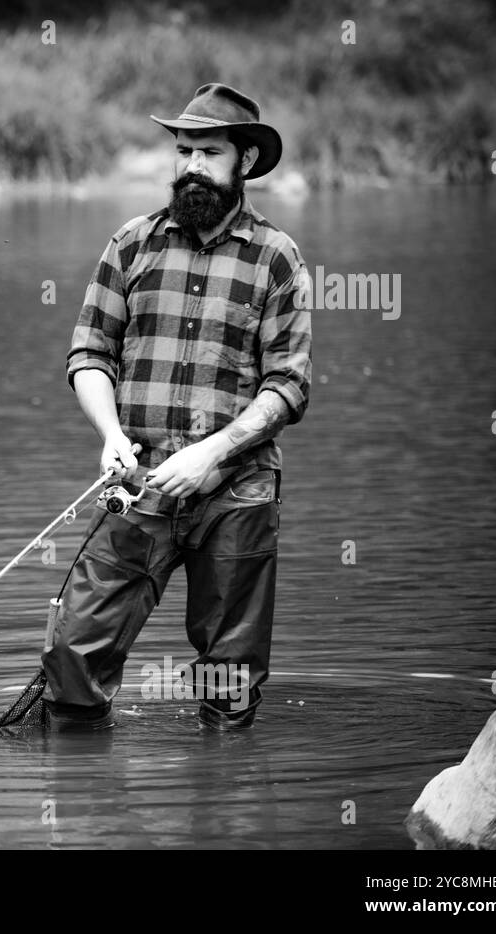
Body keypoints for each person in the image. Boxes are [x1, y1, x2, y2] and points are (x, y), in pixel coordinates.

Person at [41, 83, 313, 732]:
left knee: (229, 681)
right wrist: (110, 434)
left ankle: (223, 806)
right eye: (183, 150)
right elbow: (89, 355)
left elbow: (289, 386)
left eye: (209, 151)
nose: (191, 164)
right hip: (137, 485)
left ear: (243, 162)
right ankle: (81, 799)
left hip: (237, 493)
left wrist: (212, 452)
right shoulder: (131, 245)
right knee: (74, 657)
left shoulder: (277, 258)